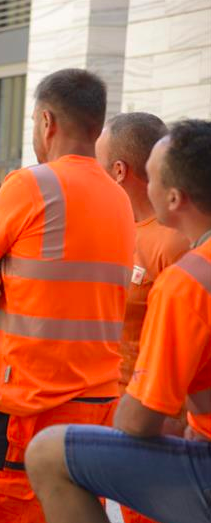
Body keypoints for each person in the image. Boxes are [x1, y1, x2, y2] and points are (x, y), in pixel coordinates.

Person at [0, 68, 135, 522]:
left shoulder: (30, 184)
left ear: (47, 122)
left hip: (28, 404)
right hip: (95, 403)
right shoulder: (120, 199)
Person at [25, 120, 211, 523]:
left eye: (154, 176)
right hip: (155, 406)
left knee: (47, 453)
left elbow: (140, 418)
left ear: (175, 197)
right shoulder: (128, 233)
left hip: (155, 415)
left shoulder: (186, 276)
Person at [95, 112, 191, 523]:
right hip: (108, 400)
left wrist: (178, 422)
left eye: (96, 165)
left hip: (156, 416)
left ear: (118, 171)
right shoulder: (110, 226)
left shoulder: (174, 241)